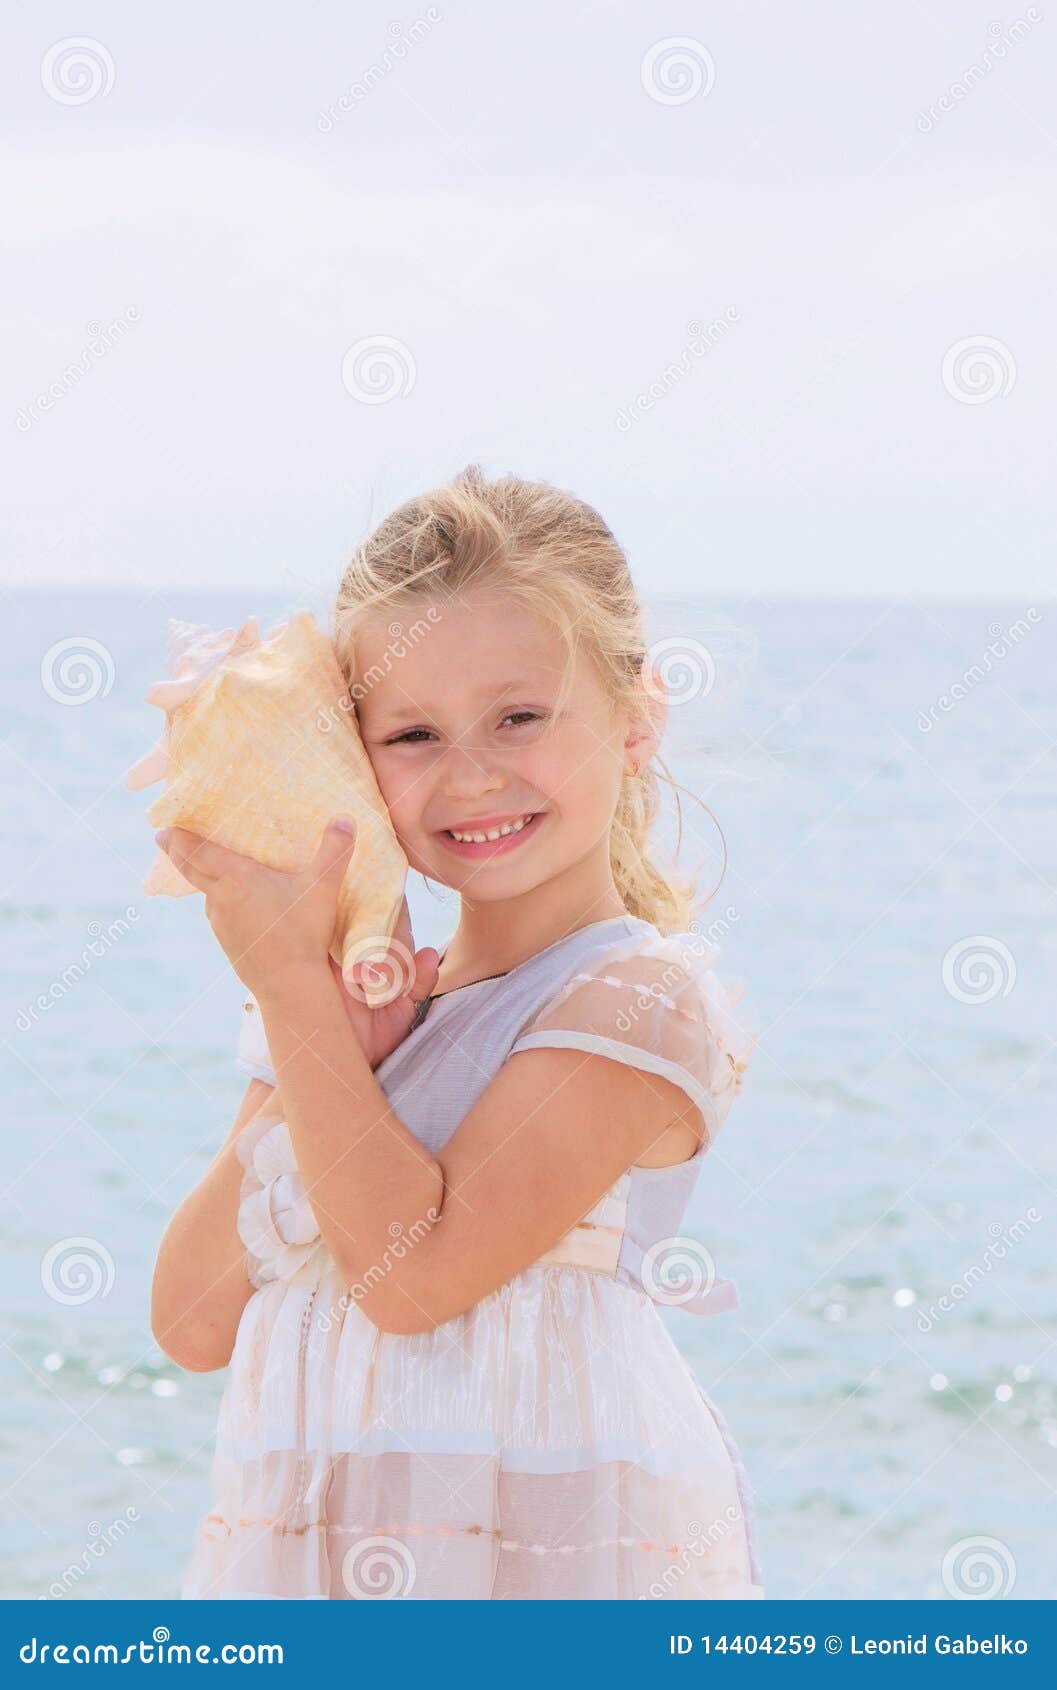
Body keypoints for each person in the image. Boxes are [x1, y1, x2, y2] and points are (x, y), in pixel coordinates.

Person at [151, 465, 763, 1599]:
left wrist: (291, 991)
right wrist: (326, 1036)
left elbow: (409, 1278)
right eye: (412, 732)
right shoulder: (362, 1015)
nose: (471, 774)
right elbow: (191, 1315)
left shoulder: (635, 999)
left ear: (636, 717)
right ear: (351, 753)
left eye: (519, 717)